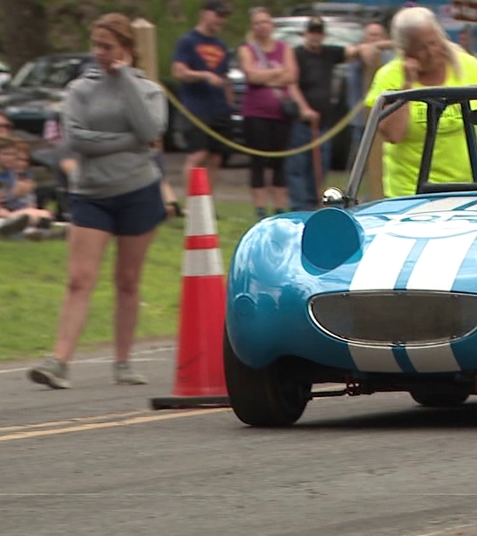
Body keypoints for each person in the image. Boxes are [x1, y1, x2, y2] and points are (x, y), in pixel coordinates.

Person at [28, 12, 168, 389]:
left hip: (138, 191)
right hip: (91, 194)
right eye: (97, 46)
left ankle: (123, 362)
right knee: (79, 278)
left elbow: (151, 128)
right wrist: (130, 143)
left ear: (126, 50)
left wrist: (125, 79)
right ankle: (58, 361)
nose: (100, 53)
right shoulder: (80, 90)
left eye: (108, 47)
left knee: (127, 280)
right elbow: (77, 138)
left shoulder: (146, 89)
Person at [364, 6, 477, 197]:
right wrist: (407, 85)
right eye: (421, 48)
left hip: (466, 190)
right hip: (409, 193)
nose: (431, 52)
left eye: (433, 43)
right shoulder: (389, 77)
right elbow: (393, 135)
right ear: (406, 50)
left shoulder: (470, 67)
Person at [286, 15, 390, 210]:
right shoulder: (297, 54)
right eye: (312, 33)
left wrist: (371, 47)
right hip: (302, 120)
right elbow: (291, 83)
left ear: (323, 35)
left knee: (321, 167)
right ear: (306, 34)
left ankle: (315, 203)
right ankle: (299, 206)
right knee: (298, 167)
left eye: (318, 33)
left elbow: (355, 51)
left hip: (325, 121)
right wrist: (304, 109)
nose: (315, 37)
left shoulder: (330, 53)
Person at [238, 6, 296, 218]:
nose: (262, 26)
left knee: (280, 160)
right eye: (257, 23)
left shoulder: (284, 48)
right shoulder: (247, 49)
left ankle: (280, 205)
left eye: (265, 22)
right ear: (252, 27)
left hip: (280, 113)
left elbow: (291, 76)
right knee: (258, 161)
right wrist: (276, 72)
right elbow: (251, 76)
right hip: (255, 113)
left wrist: (264, 76)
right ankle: (260, 207)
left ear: (272, 25)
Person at [171, 0, 234, 195]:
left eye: (223, 17)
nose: (220, 20)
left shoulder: (221, 45)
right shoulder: (188, 41)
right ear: (205, 13)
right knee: (198, 155)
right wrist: (204, 75)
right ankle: (192, 204)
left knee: (216, 158)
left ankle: (206, 202)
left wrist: (229, 101)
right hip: (196, 108)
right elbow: (178, 72)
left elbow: (224, 77)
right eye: (217, 15)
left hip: (219, 108)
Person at [345, 21, 393, 171]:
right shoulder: (356, 56)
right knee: (361, 162)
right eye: (370, 35)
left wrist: (378, 47)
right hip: (360, 120)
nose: (373, 38)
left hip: (385, 119)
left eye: (377, 35)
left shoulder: (389, 58)